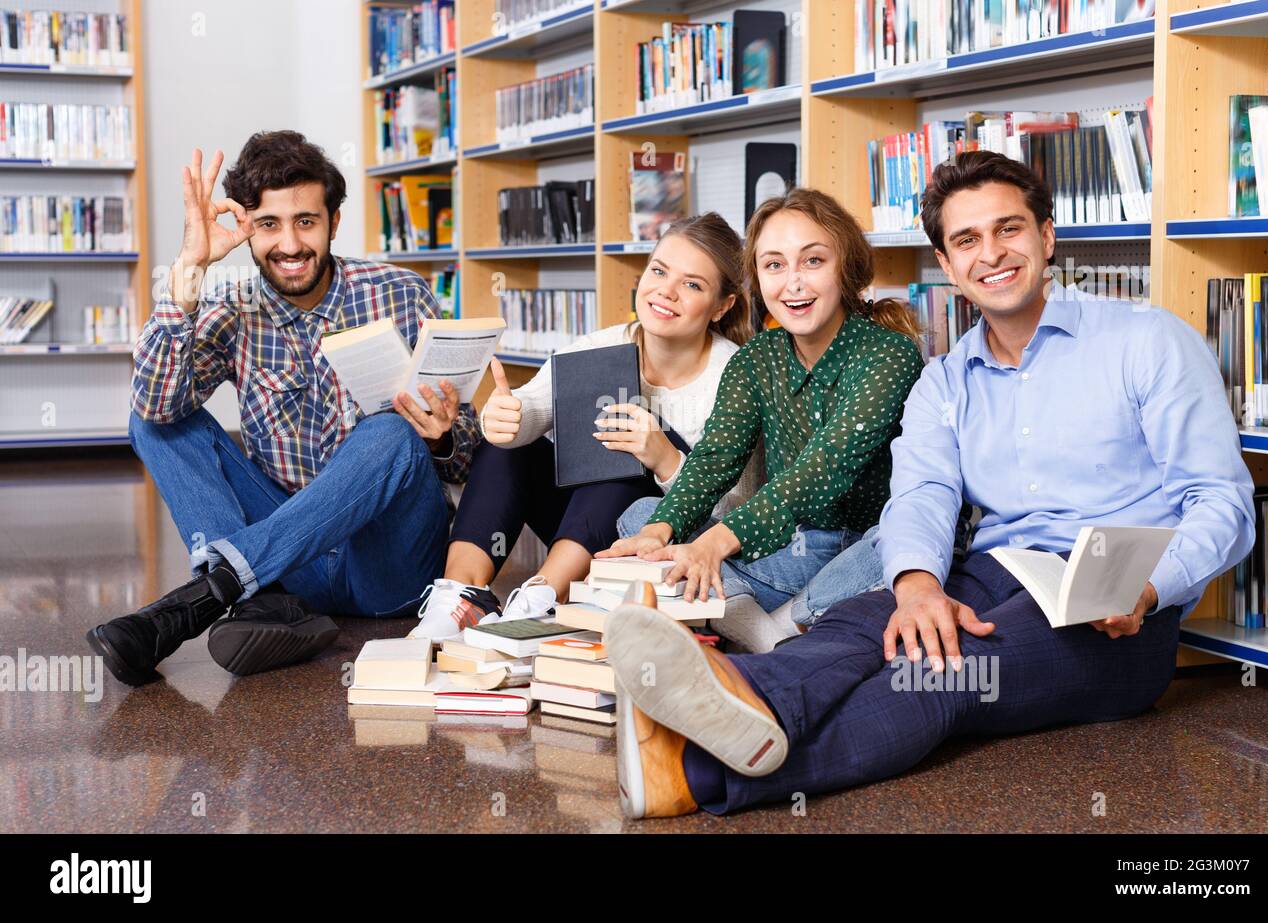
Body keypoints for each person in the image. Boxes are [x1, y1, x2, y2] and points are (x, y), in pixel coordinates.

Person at [604, 150, 1256, 818]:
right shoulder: (945, 379)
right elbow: (921, 495)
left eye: (1009, 229)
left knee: (938, 670)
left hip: (1115, 610)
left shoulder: (1147, 342)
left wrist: (1146, 584)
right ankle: (722, 694)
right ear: (946, 264)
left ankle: (690, 766)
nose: (991, 254)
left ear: (1047, 237)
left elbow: (1223, 501)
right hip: (993, 570)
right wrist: (916, 586)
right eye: (966, 240)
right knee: (862, 624)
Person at [87, 131, 480, 686]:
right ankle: (257, 597)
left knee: (391, 433)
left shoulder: (402, 294)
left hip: (387, 570)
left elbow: (469, 456)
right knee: (154, 421)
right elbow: (154, 406)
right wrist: (189, 270)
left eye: (306, 221)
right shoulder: (233, 311)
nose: (290, 245)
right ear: (245, 227)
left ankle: (213, 592)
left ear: (334, 223)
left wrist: (440, 438)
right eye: (269, 224)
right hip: (294, 567)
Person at [412, 213, 760, 638]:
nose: (666, 291)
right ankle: (463, 597)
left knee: (628, 443)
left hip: (667, 542)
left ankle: (543, 597)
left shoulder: (738, 376)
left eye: (692, 284)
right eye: (659, 270)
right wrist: (505, 414)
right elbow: (534, 407)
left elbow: (743, 512)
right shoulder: (604, 344)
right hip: (590, 531)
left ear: (722, 306)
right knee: (511, 447)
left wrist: (665, 460)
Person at [600, 187, 925, 637]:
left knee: (903, 541)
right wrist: (662, 529)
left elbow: (823, 469)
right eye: (774, 264)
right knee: (642, 515)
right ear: (757, 277)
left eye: (813, 261)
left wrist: (716, 542)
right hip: (781, 544)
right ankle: (770, 626)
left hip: (859, 548)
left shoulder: (888, 354)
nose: (793, 282)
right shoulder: (756, 358)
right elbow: (714, 460)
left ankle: (760, 628)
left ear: (846, 268)